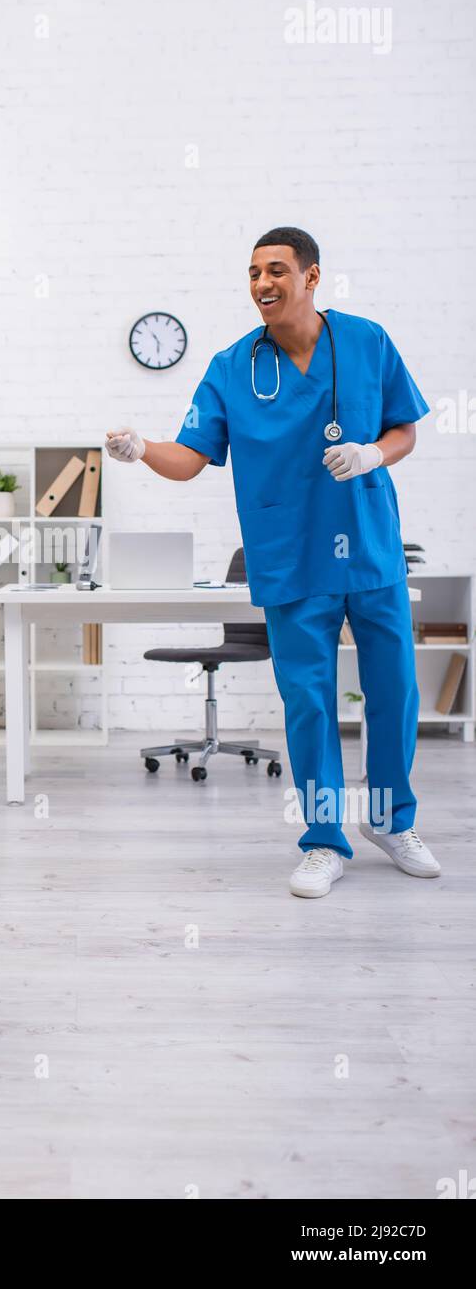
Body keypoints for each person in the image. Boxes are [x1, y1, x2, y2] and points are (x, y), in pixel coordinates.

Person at [106, 226, 439, 898]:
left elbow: (404, 429)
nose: (263, 283)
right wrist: (142, 449)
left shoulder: (367, 341)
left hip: (370, 550)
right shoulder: (233, 367)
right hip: (290, 559)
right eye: (254, 272)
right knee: (308, 704)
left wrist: (373, 454)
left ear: (311, 277)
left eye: (277, 270)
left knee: (395, 692)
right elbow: (190, 457)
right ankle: (323, 841)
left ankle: (390, 821)